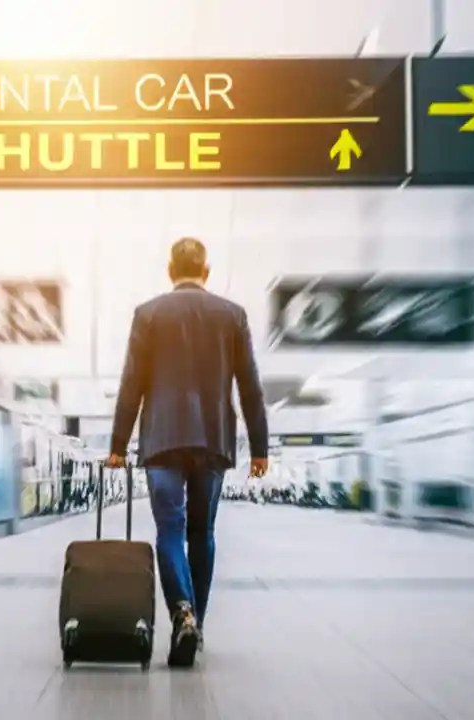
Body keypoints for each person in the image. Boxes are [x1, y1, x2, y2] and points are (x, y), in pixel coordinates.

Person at [107, 237, 269, 668]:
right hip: (213, 440)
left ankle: (183, 613)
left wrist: (118, 446)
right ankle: (196, 623)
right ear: (207, 270)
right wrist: (259, 448)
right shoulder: (232, 316)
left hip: (162, 440)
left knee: (169, 530)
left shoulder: (148, 314)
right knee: (203, 532)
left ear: (169, 269)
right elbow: (249, 385)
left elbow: (131, 383)